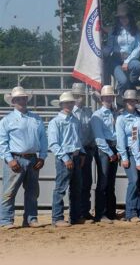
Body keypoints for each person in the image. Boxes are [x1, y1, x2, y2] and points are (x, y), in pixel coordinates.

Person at [0, 87, 47, 229]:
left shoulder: (36, 119)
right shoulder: (6, 120)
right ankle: (6, 220)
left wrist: (42, 157)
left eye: (23, 98)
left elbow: (43, 139)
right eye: (18, 99)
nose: (22, 101)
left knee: (33, 191)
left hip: (32, 158)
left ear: (27, 100)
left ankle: (30, 219)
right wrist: (9, 159)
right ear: (13, 101)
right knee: (9, 191)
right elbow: (2, 142)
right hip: (16, 158)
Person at [48, 92, 83, 227]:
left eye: (71, 102)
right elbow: (53, 144)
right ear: (61, 105)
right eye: (66, 103)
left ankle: (75, 216)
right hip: (65, 157)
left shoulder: (75, 120)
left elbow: (78, 139)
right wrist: (65, 158)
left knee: (76, 188)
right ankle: (57, 218)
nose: (69, 105)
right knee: (61, 188)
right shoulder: (55, 122)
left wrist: (82, 153)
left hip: (76, 155)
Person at [89, 85, 119, 223]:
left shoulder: (115, 113)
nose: (108, 99)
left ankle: (110, 211)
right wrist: (109, 152)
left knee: (110, 181)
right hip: (104, 149)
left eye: (110, 97)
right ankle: (101, 213)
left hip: (112, 147)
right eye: (106, 97)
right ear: (101, 99)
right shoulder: (97, 115)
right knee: (104, 180)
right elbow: (99, 138)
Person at [114, 91, 140, 222]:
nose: (131, 102)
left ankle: (139, 210)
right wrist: (124, 157)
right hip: (129, 152)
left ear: (136, 102)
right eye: (128, 100)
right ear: (125, 102)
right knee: (134, 180)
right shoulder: (121, 119)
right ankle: (131, 212)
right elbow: (120, 139)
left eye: (133, 100)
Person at [104, 3, 140, 95]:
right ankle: (121, 99)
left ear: (129, 17)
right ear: (118, 19)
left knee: (138, 66)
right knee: (123, 81)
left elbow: (138, 47)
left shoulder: (135, 30)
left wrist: (127, 62)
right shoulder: (113, 31)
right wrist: (101, 52)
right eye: (121, 17)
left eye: (125, 17)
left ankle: (131, 86)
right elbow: (109, 47)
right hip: (116, 60)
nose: (123, 19)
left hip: (130, 59)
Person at [69, 83, 95, 223]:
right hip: (75, 151)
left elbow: (90, 131)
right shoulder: (70, 113)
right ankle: (76, 212)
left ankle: (85, 210)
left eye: (81, 96)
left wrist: (90, 145)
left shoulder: (88, 112)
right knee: (76, 183)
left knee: (87, 182)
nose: (79, 98)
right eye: (76, 96)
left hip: (86, 149)